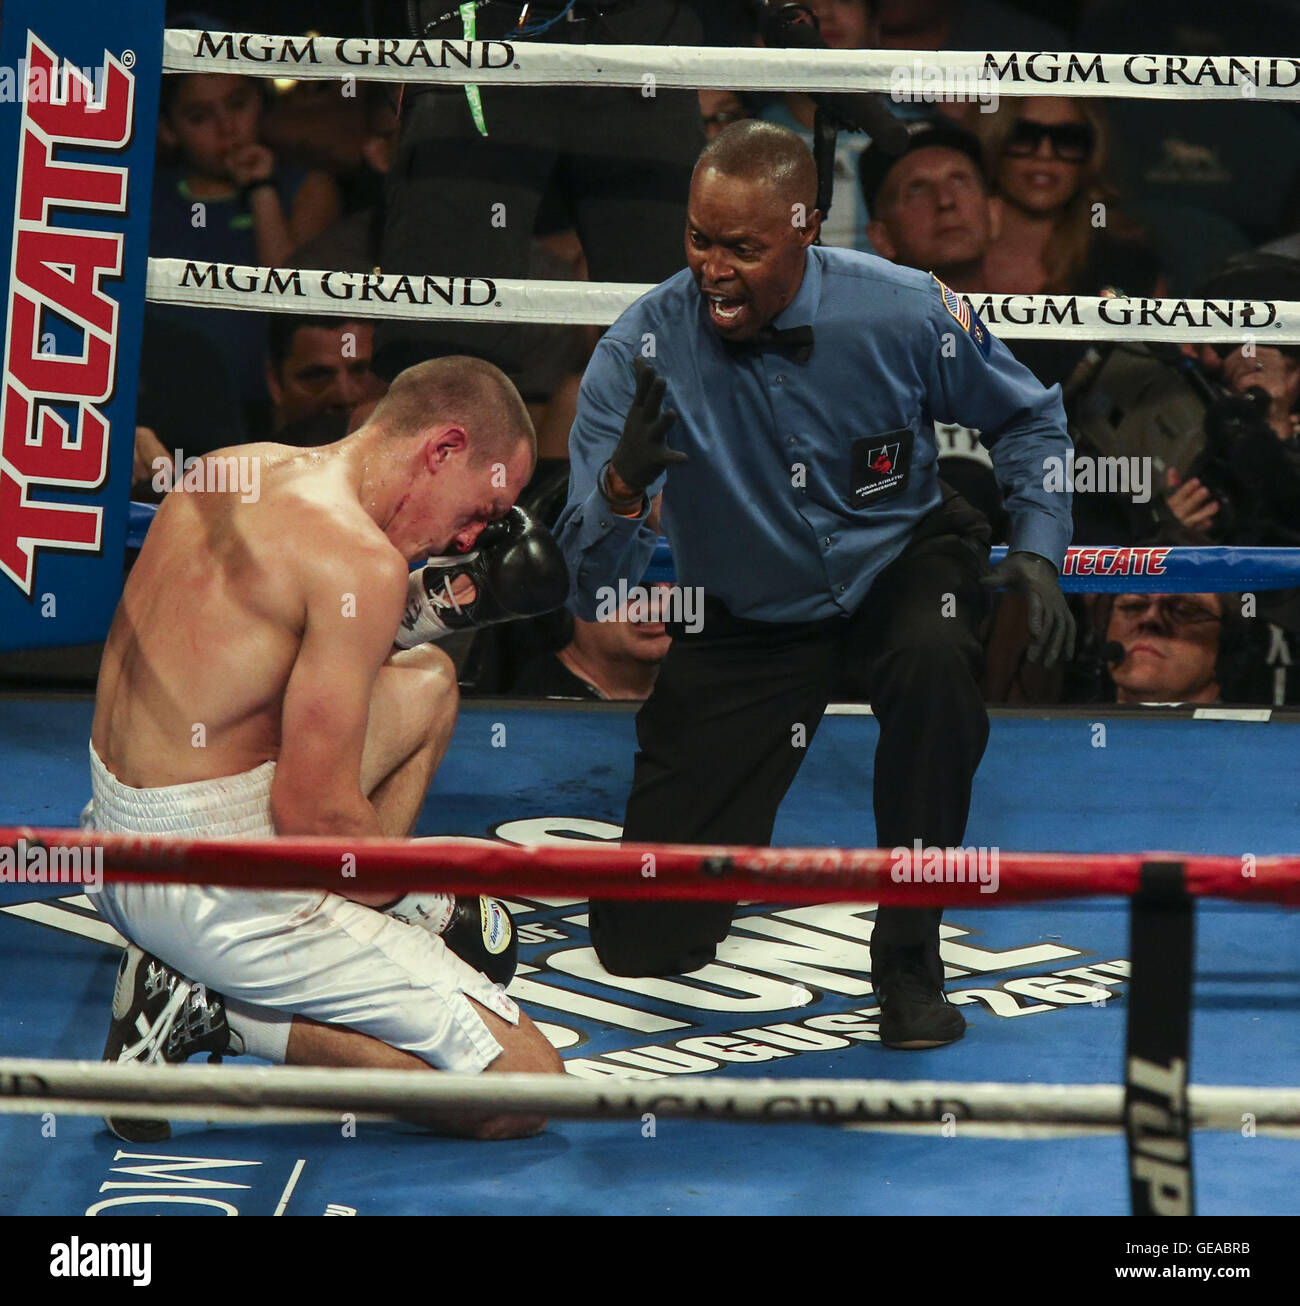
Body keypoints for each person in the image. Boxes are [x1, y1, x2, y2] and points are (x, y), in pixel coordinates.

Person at [554, 120, 1075, 1048]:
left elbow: (1030, 420)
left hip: (899, 560)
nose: (713, 269)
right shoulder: (638, 350)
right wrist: (622, 490)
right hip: (749, 612)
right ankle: (727, 856)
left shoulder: (903, 308)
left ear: (807, 226)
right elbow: (590, 585)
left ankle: (910, 949)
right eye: (699, 239)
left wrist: (1038, 542)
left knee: (933, 653)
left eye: (743, 247)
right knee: (643, 943)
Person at [89, 357, 568, 1141]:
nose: (474, 534)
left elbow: (276, 653)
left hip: (118, 840)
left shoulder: (236, 466)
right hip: (217, 890)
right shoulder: (360, 563)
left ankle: (219, 965)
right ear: (443, 448)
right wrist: (427, 900)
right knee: (529, 1091)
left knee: (427, 683)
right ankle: (213, 1013)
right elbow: (313, 820)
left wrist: (449, 603)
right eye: (484, 505)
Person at [264, 315, 388, 442]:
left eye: (361, 371)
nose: (345, 396)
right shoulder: (249, 460)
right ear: (275, 383)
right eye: (318, 376)